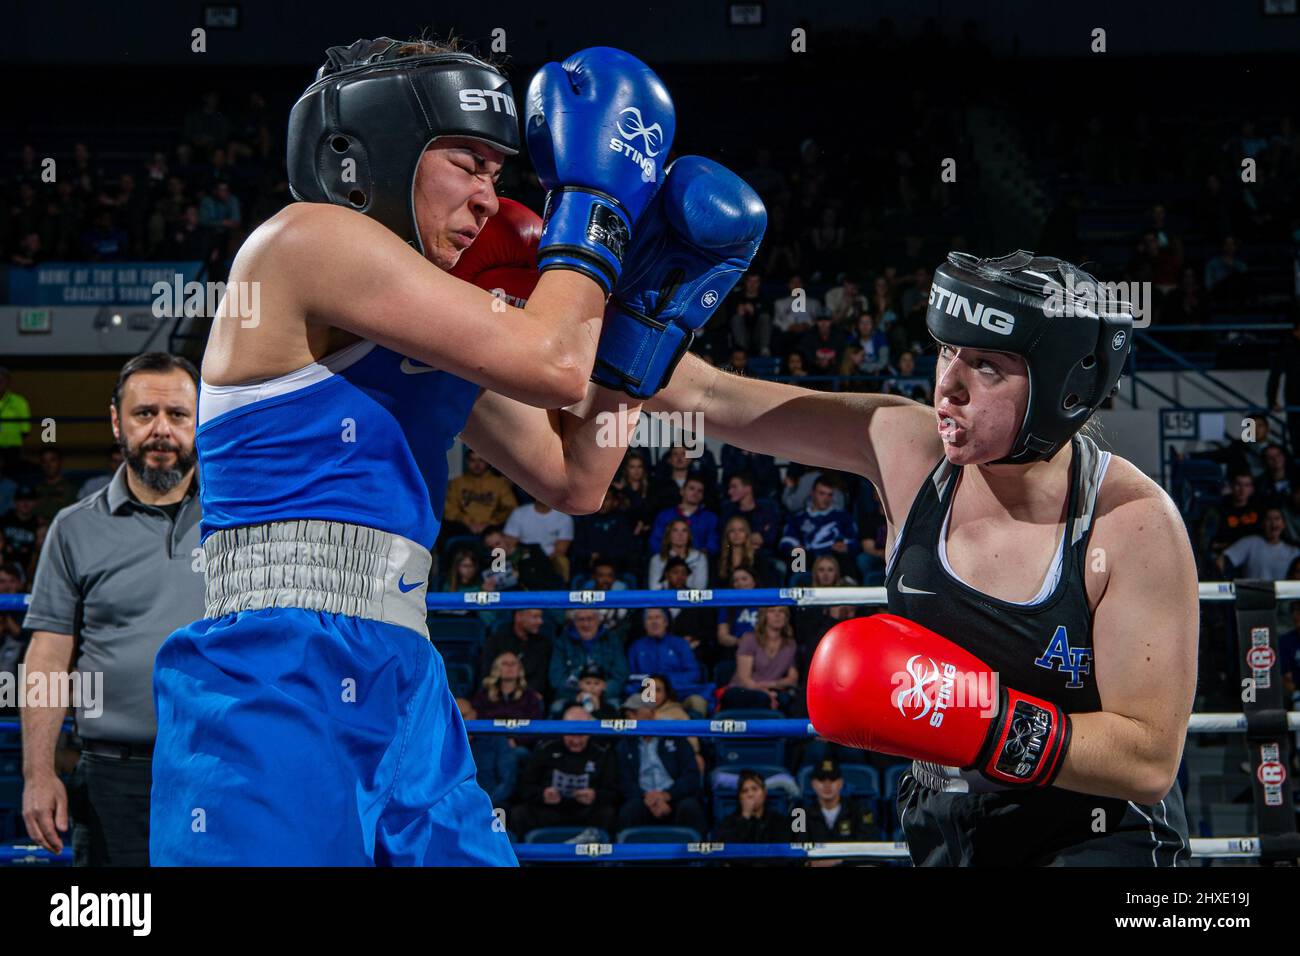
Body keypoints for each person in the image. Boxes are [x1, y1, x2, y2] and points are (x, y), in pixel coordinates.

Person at [149, 38, 683, 866]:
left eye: (497, 174)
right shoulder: (305, 237)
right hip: (276, 666)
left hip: (405, 667)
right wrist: (596, 206)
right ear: (371, 151)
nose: (488, 198)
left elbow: (576, 478)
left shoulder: (431, 331)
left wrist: (651, 330)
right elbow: (554, 363)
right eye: (467, 163)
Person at [648, 249, 1196, 865]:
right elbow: (709, 395)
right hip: (942, 819)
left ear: (1062, 388)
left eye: (986, 365)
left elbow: (1148, 760)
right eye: (947, 351)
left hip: (1093, 831)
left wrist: (979, 722)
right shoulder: (906, 448)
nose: (948, 385)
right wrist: (601, 294)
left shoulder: (1133, 524)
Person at [21, 353, 205, 865]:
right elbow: (48, 657)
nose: (162, 430)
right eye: (145, 414)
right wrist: (38, 773)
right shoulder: (74, 528)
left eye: (178, 415)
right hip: (111, 777)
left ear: (201, 421)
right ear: (116, 422)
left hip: (222, 766)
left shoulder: (240, 520)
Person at [509, 705, 618, 838]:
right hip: (548, 810)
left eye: (581, 735)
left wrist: (595, 796)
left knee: (608, 813)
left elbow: (614, 791)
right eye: (571, 734)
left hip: (586, 811)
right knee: (519, 813)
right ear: (562, 729)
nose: (576, 741)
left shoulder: (602, 751)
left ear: (590, 732)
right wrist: (542, 794)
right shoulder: (546, 748)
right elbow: (525, 786)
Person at [613, 695, 706, 835]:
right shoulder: (624, 745)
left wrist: (667, 795)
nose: (630, 718)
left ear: (652, 713)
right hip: (643, 800)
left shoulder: (675, 738)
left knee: (690, 807)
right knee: (630, 809)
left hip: (674, 798)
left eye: (634, 713)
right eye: (628, 715)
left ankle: (700, 849)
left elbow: (691, 775)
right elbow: (624, 781)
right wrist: (647, 797)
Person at [797, 758, 881, 866]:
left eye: (832, 779)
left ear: (841, 783)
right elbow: (795, 850)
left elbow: (871, 848)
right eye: (821, 779)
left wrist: (838, 861)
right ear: (813, 784)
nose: (827, 785)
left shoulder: (861, 811)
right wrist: (810, 864)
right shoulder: (801, 814)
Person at [470, 651, 544, 721]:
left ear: (519, 669)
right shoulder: (483, 696)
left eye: (513, 663)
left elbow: (536, 724)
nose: (509, 666)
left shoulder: (530, 697)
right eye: (505, 663)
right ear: (497, 669)